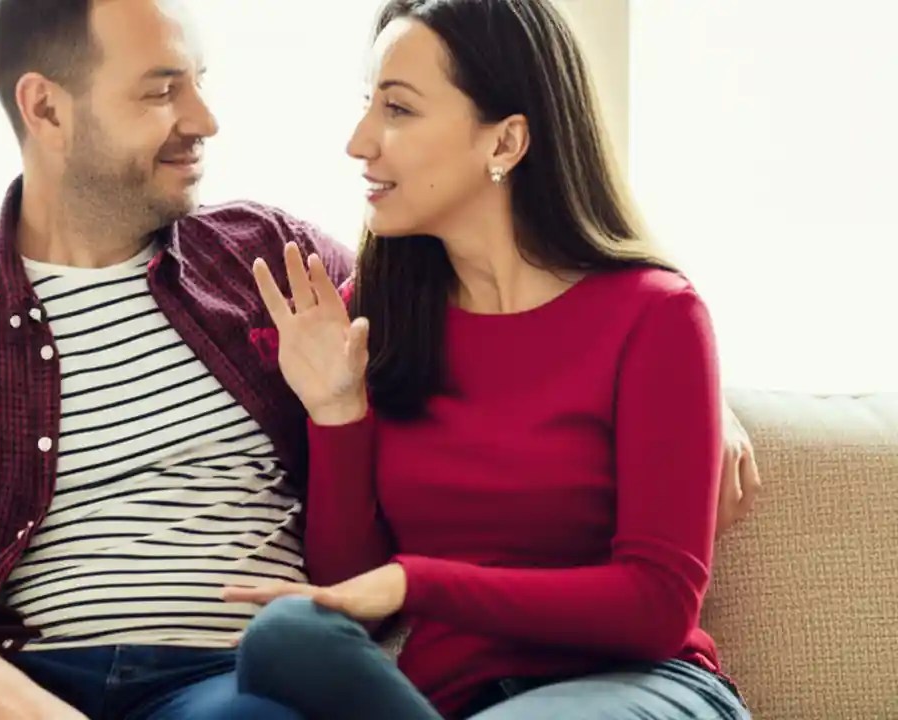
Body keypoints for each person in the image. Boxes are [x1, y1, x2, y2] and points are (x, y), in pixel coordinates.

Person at [0, 0, 758, 718]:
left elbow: (521, 297)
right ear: (45, 107)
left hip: (219, 685)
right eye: (160, 91)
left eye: (199, 83)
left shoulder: (267, 257)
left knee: (275, 680)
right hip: (18, 671)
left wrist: (695, 398)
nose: (204, 121)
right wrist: (11, 705)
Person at [223, 1, 753, 719]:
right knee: (285, 637)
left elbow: (657, 605)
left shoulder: (655, 316)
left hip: (639, 688)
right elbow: (355, 597)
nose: (359, 143)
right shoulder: (372, 320)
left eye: (399, 110)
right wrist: (336, 413)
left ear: (504, 142)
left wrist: (417, 582)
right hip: (450, 703)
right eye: (367, 107)